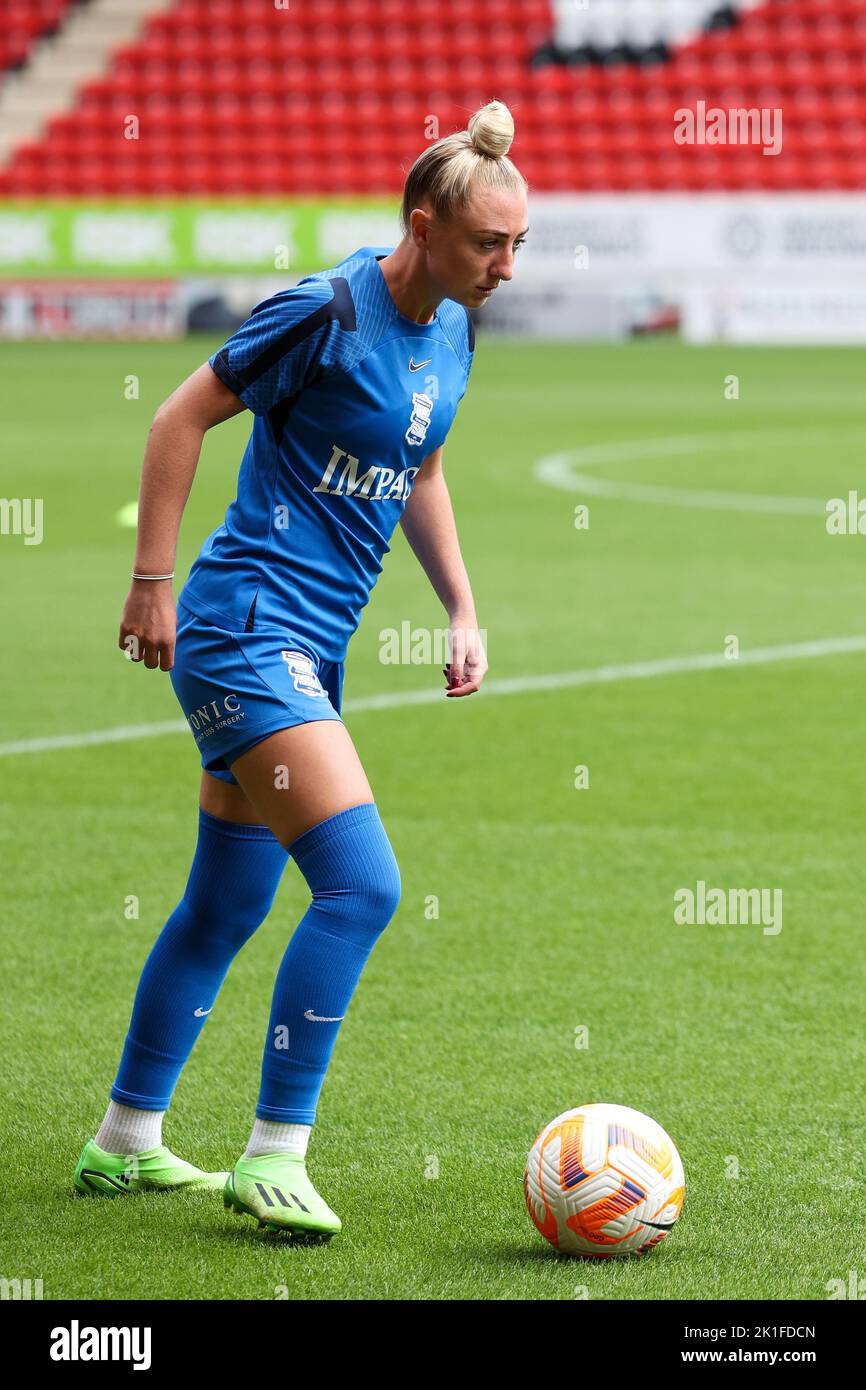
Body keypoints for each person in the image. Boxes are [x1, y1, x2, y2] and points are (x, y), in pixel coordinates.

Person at [74, 99, 529, 1240]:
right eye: (488, 243)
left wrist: (461, 605)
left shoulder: (454, 331)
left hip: (309, 648)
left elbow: (415, 459)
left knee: (225, 900)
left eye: (518, 243)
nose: (506, 266)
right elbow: (179, 418)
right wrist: (150, 581)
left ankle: (125, 1139)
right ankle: (273, 1153)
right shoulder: (325, 310)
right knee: (362, 884)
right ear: (420, 226)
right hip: (241, 629)